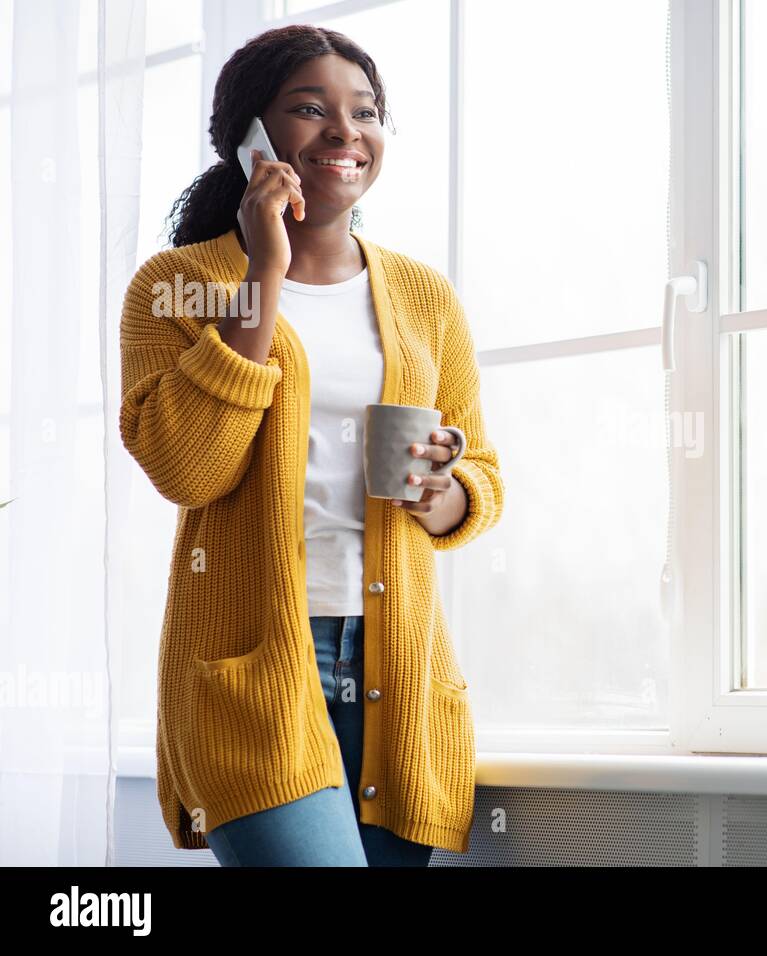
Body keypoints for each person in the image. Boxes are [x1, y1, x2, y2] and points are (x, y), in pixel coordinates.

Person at [119, 24, 504, 866]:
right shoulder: (177, 286)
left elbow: (481, 473)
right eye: (309, 108)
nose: (344, 131)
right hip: (251, 670)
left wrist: (445, 495)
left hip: (396, 671)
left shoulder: (422, 296)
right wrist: (263, 273)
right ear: (250, 137)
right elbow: (189, 469)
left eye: (364, 111)